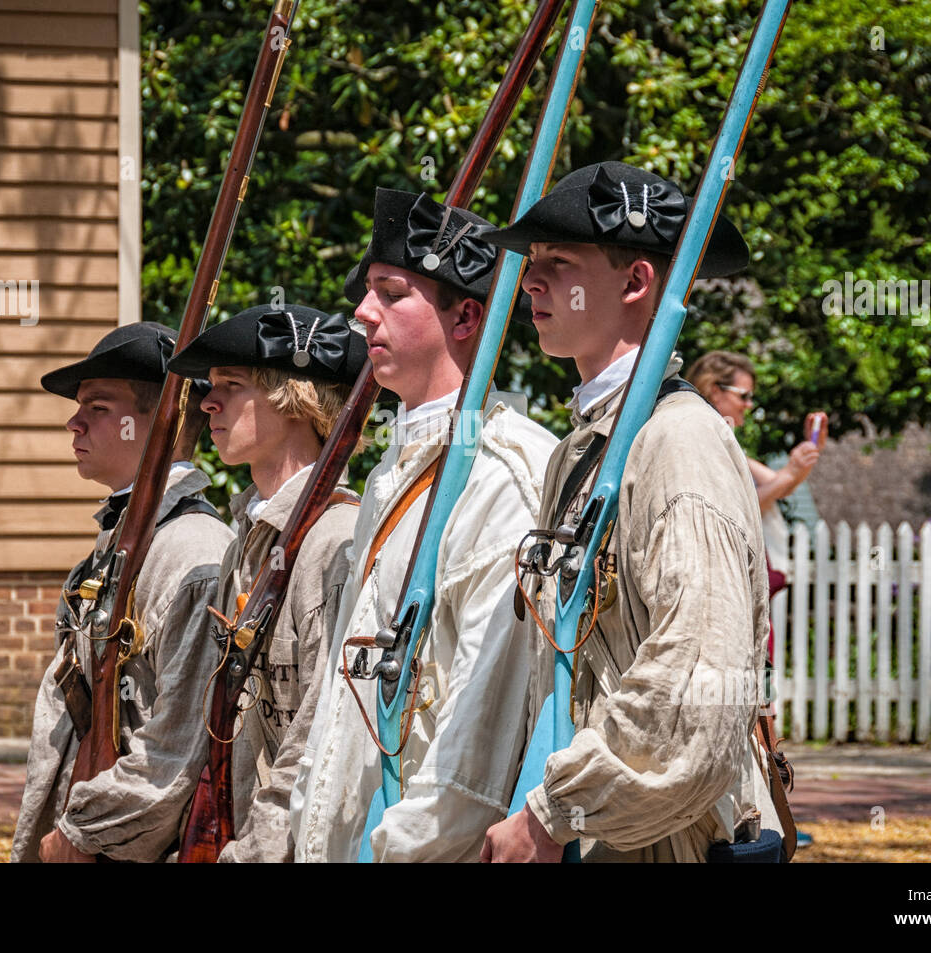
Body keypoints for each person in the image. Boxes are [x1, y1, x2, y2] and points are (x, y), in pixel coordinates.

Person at [478, 161, 783, 862]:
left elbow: (695, 692)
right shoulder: (579, 451)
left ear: (637, 281)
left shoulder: (680, 440)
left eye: (560, 262)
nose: (530, 280)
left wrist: (551, 814)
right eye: (533, 262)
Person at [291, 188, 558, 862]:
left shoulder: (502, 473)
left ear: (467, 316)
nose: (361, 312)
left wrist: (390, 852)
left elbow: (472, 745)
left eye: (391, 293)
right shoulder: (393, 469)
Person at [10, 322, 235, 863]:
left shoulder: (193, 553)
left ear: (158, 421)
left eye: (98, 407)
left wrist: (87, 834)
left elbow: (177, 745)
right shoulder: (120, 541)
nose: (74, 422)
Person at [166, 303, 366, 863]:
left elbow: (316, 737)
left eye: (232, 385)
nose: (208, 402)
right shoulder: (248, 542)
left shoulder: (335, 541)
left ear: (295, 399)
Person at [687, 350, 826, 574]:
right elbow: (736, 509)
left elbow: (780, 487)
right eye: (744, 396)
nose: (749, 404)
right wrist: (791, 471)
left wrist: (807, 455)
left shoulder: (725, 442)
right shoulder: (704, 441)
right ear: (715, 391)